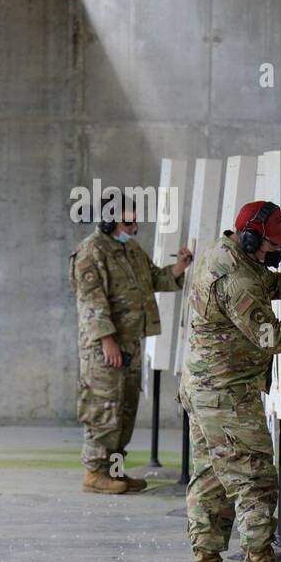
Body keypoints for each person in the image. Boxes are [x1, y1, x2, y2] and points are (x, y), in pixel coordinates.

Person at [178, 200, 281, 562]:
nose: (278, 252)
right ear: (250, 239)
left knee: (211, 476)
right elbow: (271, 337)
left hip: (204, 388)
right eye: (272, 245)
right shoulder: (237, 279)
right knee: (255, 477)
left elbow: (272, 283)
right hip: (227, 394)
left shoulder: (226, 254)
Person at [70, 195, 191, 494]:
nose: (134, 227)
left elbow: (154, 279)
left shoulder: (130, 250)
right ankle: (94, 473)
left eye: (135, 220)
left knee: (125, 410)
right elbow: (91, 304)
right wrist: (107, 341)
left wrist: (179, 267)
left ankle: (113, 471)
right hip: (104, 349)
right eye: (127, 222)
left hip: (130, 345)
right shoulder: (90, 253)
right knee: (104, 409)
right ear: (109, 221)